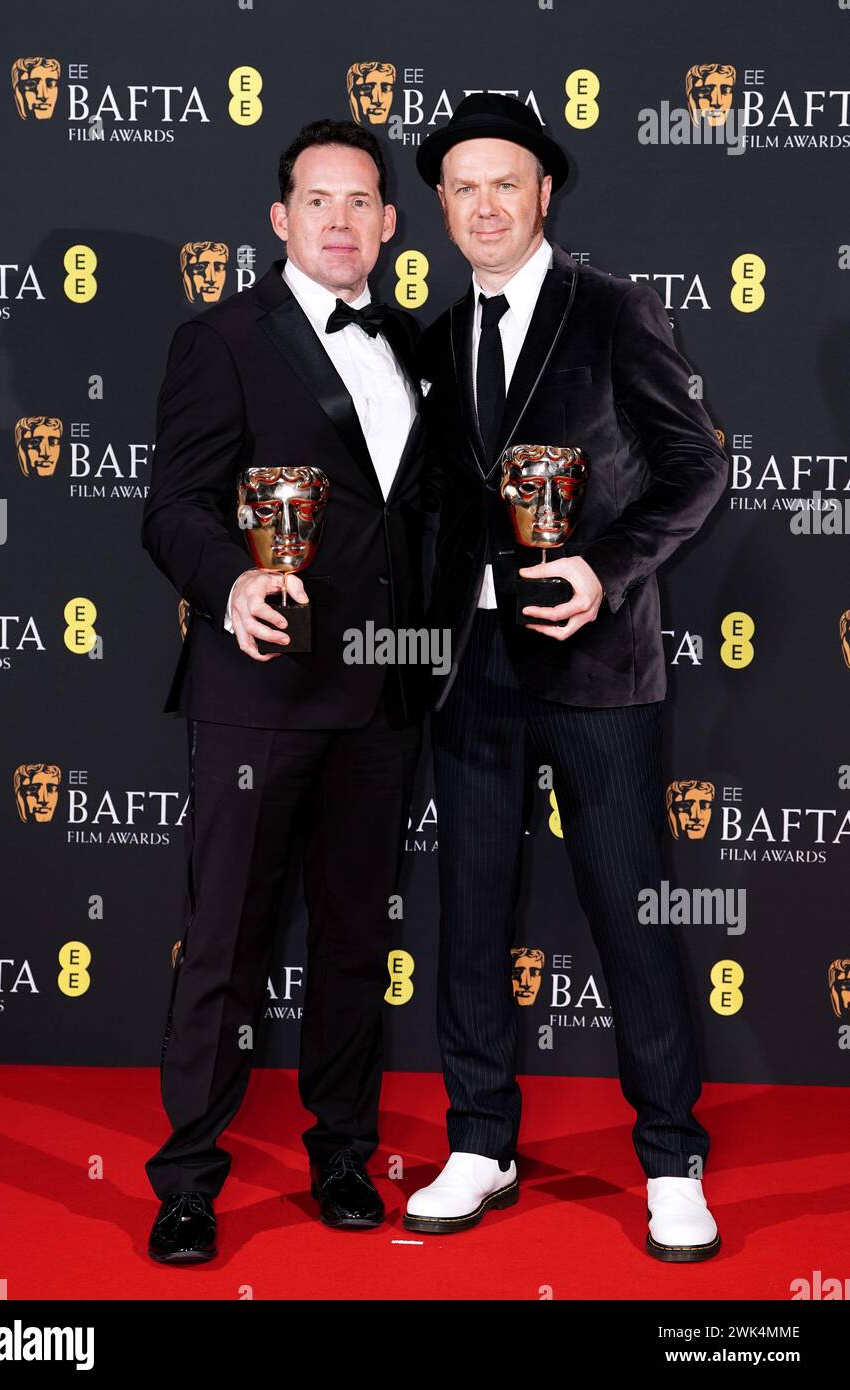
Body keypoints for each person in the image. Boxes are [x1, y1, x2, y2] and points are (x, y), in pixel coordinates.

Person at [405, 93, 728, 1262]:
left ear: (544, 194)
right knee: (472, 912)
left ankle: (669, 1156)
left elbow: (695, 467)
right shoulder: (438, 339)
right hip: (477, 673)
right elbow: (437, 513)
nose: (485, 204)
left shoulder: (610, 311)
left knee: (629, 911)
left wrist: (606, 568)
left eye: (507, 182)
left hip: (598, 665)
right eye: (462, 188)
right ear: (440, 209)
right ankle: (479, 1137)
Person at [141, 118, 426, 1262]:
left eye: (361, 202)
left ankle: (343, 1154)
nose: (341, 221)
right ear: (280, 218)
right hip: (261, 686)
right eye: (319, 201)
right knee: (226, 942)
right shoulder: (219, 337)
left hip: (386, 699)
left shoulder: (411, 339)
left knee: (357, 940)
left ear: (391, 225)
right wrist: (232, 582)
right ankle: (187, 1181)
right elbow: (170, 505)